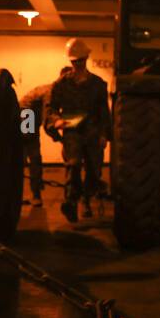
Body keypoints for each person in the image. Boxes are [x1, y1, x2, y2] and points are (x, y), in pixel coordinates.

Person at [44, 43, 110, 223]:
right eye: (74, 61)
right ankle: (71, 202)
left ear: (86, 59)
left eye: (80, 61)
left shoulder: (98, 84)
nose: (78, 64)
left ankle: (86, 200)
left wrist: (104, 134)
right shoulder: (61, 84)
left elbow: (104, 111)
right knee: (73, 165)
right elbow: (50, 107)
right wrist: (56, 120)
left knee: (93, 170)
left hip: (93, 130)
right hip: (72, 130)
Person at [18, 81, 53, 205]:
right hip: (27, 115)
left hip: (27, 115)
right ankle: (35, 195)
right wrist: (59, 138)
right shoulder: (50, 92)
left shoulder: (50, 89)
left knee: (31, 157)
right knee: (33, 156)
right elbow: (47, 119)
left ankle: (31, 194)